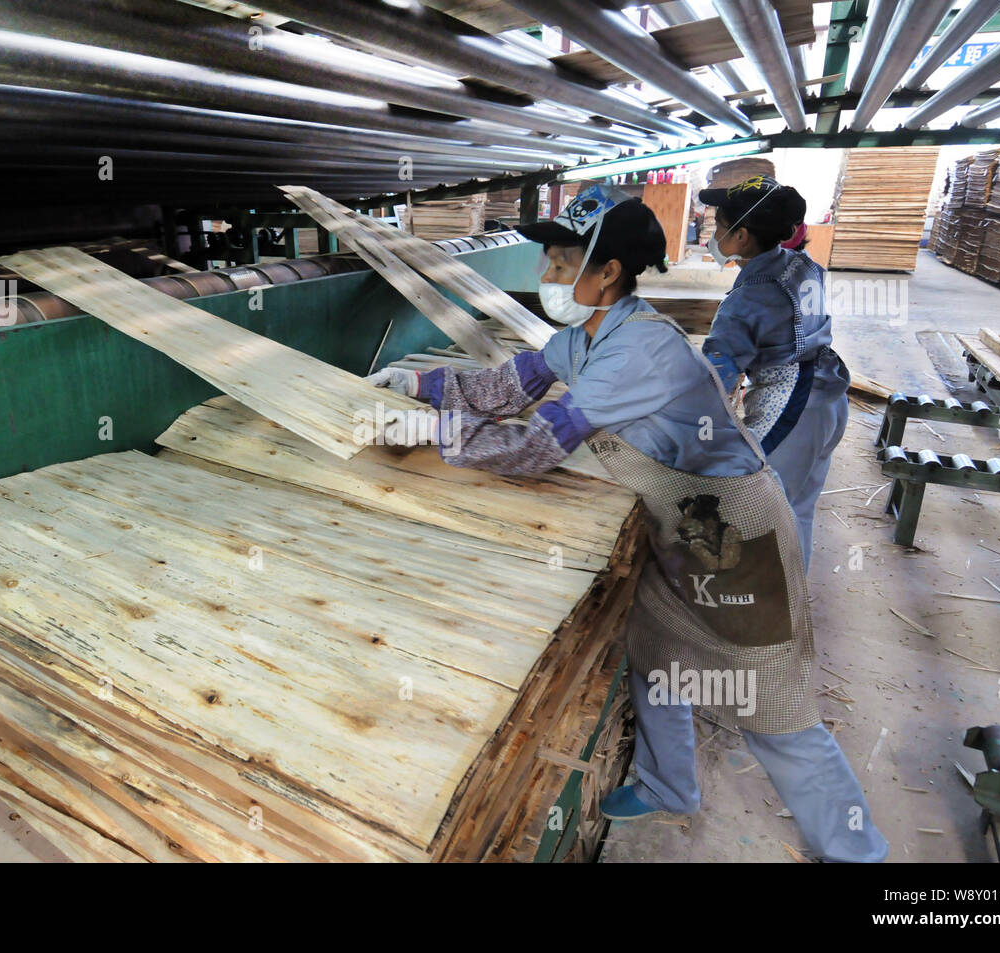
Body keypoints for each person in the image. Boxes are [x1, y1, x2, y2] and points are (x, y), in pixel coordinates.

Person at [367, 185, 887, 863]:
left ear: (607, 269)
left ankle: (857, 851)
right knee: (659, 656)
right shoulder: (582, 338)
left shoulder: (639, 349)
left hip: (734, 534)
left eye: (558, 264)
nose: (547, 279)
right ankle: (671, 784)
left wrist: (428, 431)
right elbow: (507, 388)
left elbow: (535, 444)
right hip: (680, 519)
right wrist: (421, 388)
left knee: (771, 704)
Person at [699, 176, 850, 568]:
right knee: (797, 504)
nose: (715, 235)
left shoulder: (747, 298)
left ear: (743, 236)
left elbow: (717, 376)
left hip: (792, 405)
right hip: (828, 394)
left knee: (752, 503)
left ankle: (761, 612)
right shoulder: (802, 264)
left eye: (720, 226)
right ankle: (789, 601)